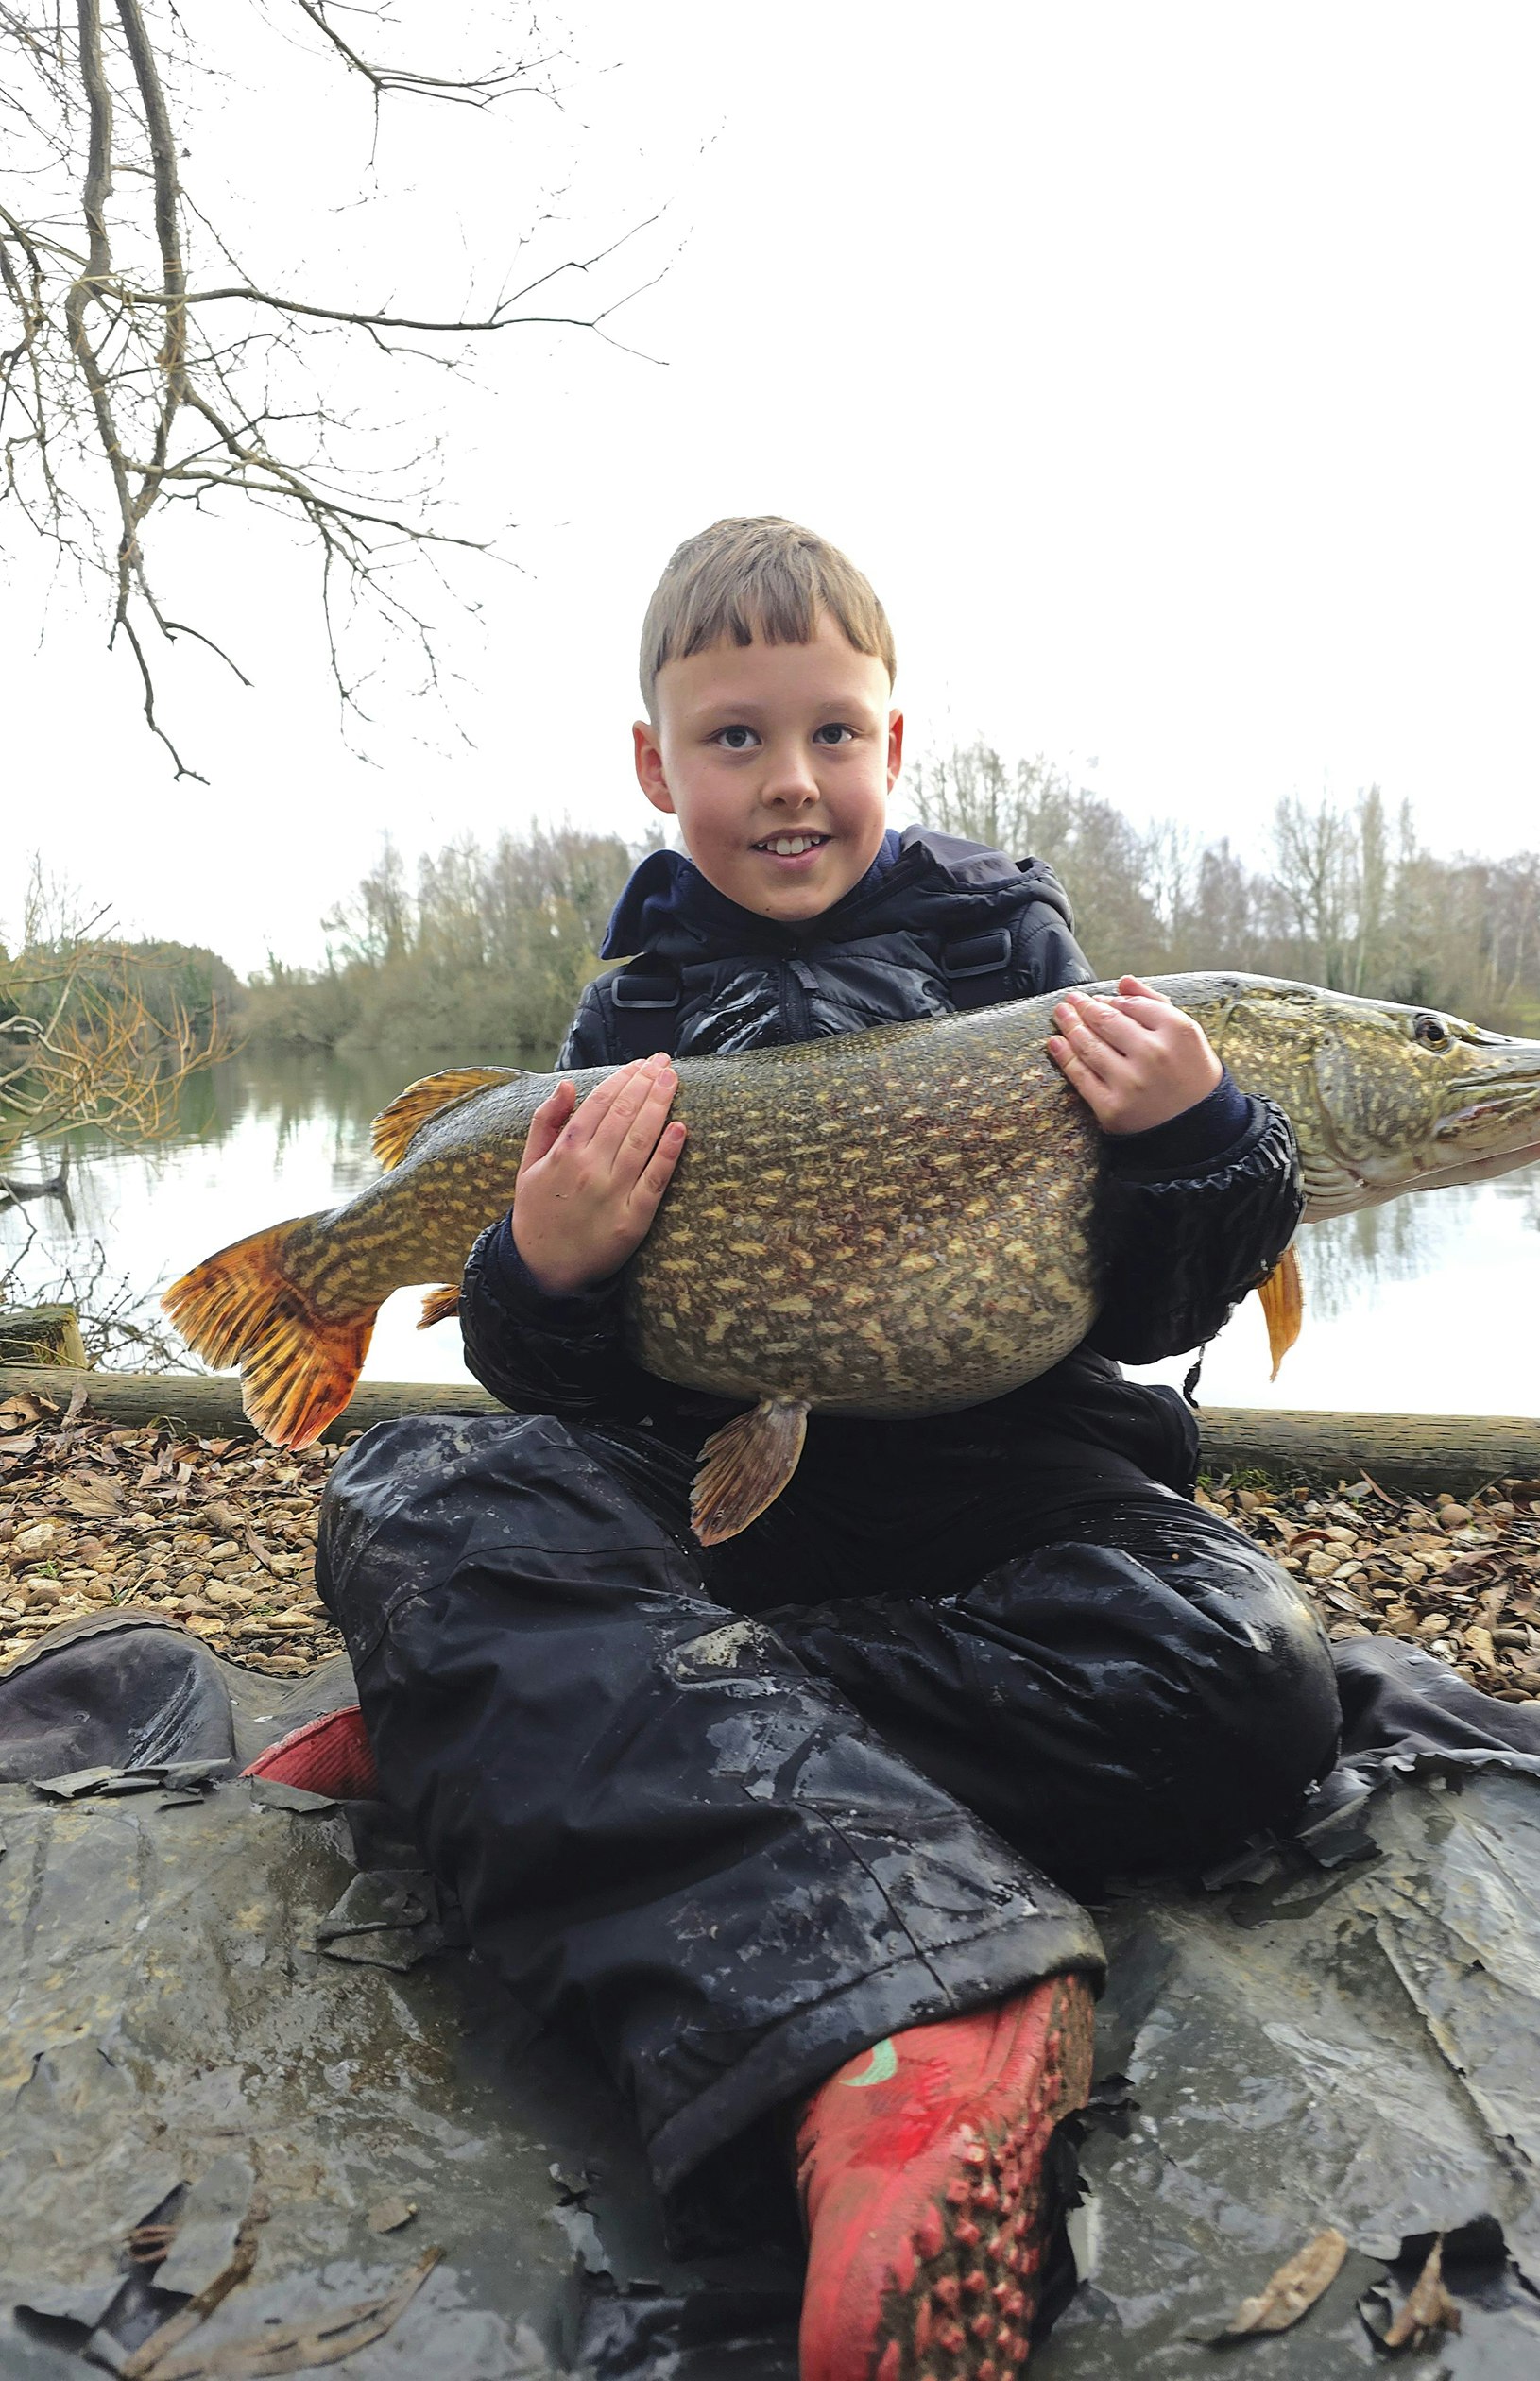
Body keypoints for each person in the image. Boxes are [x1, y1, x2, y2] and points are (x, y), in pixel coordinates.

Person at [300, 519, 1341, 2381]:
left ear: (894, 739)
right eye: (734, 740)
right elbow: (561, 1388)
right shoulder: (627, 1017)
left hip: (1016, 1502)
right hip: (732, 1520)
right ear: (653, 764)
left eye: (832, 735)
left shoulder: (1019, 961)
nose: (791, 783)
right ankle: (883, 1971)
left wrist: (1204, 1147)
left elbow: (1147, 1301)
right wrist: (538, 1266)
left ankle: (591, 1730)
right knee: (410, 1497)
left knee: (1256, 1674)